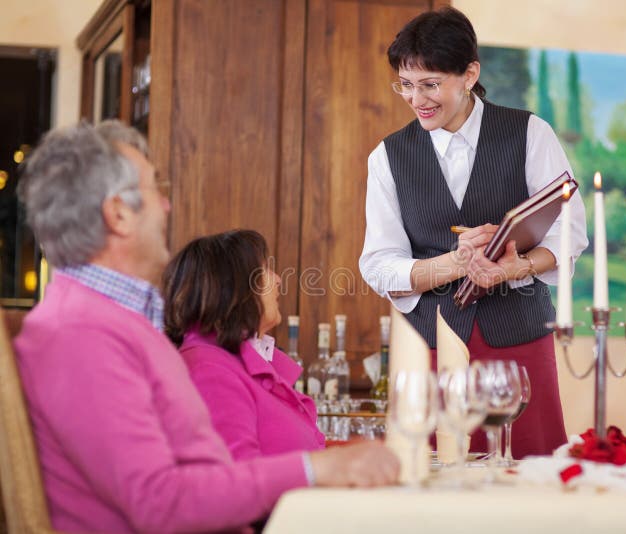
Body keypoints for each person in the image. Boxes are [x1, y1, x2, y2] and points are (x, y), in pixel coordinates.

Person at [14, 120, 398, 534]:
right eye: (154, 190)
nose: (166, 206)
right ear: (119, 214)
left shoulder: (114, 323)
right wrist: (313, 469)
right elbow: (160, 503)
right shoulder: (79, 334)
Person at [359, 7, 588, 458]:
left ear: (469, 74)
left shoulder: (529, 133)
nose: (415, 98)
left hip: (520, 341)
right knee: (436, 486)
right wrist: (454, 263)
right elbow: (379, 265)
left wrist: (514, 267)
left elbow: (569, 230)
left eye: (430, 83)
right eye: (405, 84)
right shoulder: (386, 157)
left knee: (527, 476)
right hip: (430, 347)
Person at [162, 229, 325, 460]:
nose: (278, 279)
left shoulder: (231, 362)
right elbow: (235, 477)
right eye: (265, 270)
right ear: (233, 287)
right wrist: (322, 468)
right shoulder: (210, 371)